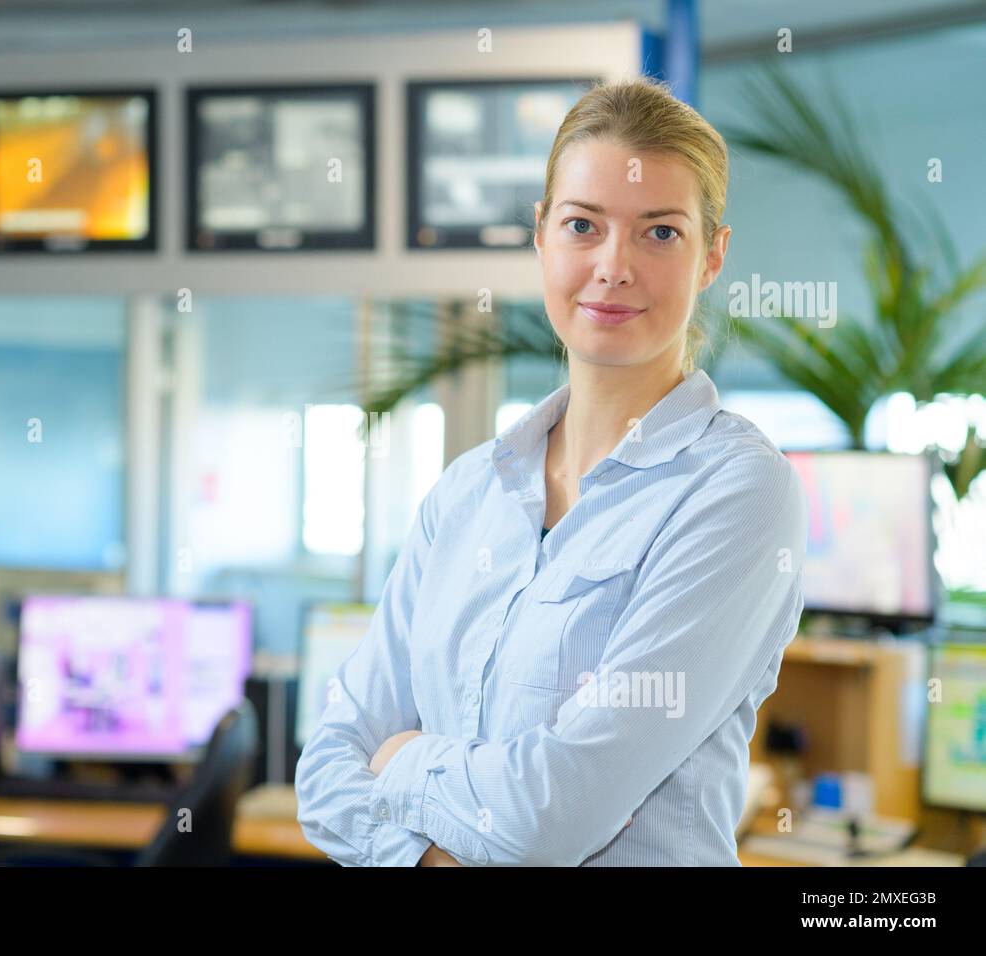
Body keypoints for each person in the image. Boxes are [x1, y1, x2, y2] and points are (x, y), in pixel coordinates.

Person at [294, 76, 808, 866]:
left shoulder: (737, 493)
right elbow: (327, 765)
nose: (613, 266)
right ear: (541, 234)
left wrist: (402, 760)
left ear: (714, 255)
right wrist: (441, 852)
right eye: (582, 225)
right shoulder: (465, 494)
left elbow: (555, 814)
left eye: (660, 233)